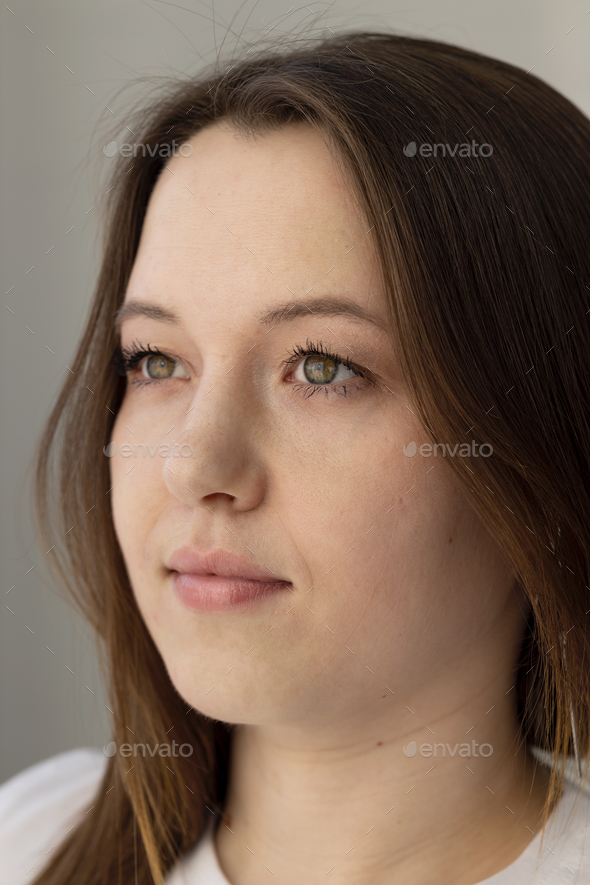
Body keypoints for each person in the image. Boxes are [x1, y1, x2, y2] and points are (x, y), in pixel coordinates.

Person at [1, 29, 590, 885]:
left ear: (537, 443)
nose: (194, 464)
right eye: (156, 360)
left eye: (323, 368)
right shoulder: (28, 840)